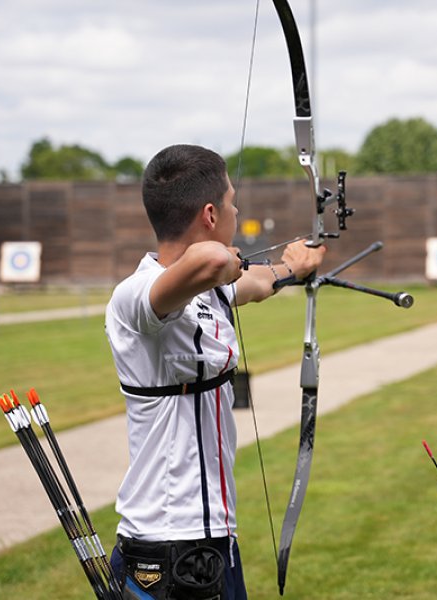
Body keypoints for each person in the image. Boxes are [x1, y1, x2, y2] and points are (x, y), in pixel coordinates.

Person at [104, 144, 325, 600]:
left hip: (212, 538)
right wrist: (229, 259)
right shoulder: (136, 296)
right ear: (209, 214)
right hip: (167, 544)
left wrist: (293, 267)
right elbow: (215, 263)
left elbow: (257, 281)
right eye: (230, 202)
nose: (236, 211)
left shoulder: (206, 292)